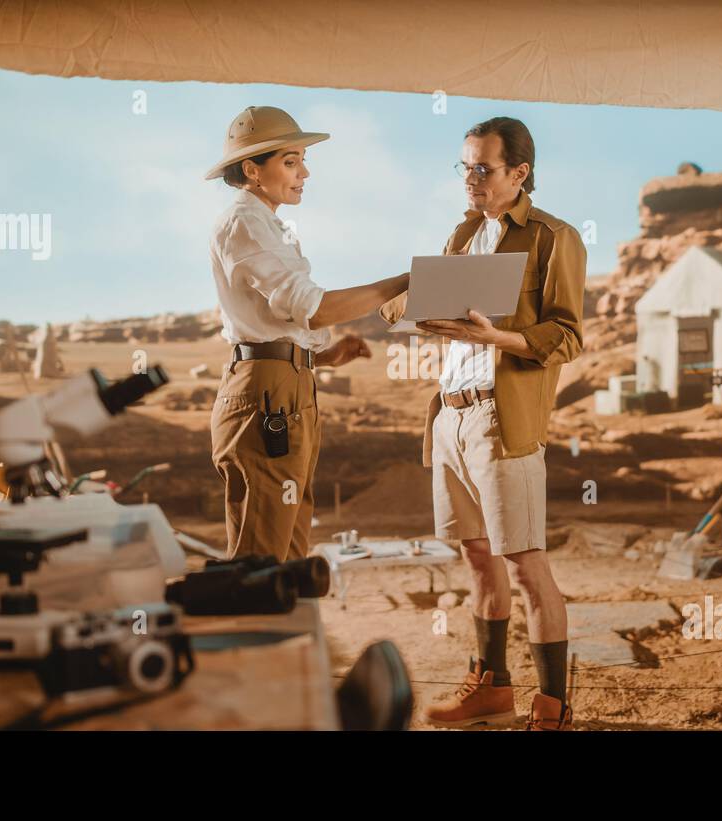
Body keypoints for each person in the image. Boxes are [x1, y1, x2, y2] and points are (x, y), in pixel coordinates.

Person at [379, 117, 586, 730]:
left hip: (502, 418)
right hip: (450, 413)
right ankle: (492, 690)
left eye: (483, 168)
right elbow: (422, 305)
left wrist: (496, 335)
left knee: (524, 562)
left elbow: (568, 336)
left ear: (519, 173)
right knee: (477, 556)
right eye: (465, 166)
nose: (470, 179)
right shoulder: (465, 232)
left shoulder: (554, 237)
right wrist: (403, 309)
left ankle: (552, 710)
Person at [206, 105, 409, 561]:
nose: (305, 173)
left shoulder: (266, 224)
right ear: (251, 170)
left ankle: (287, 624)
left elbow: (288, 319)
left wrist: (322, 355)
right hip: (267, 393)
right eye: (291, 162)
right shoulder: (246, 223)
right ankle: (264, 626)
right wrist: (401, 282)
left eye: (302, 161)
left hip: (285, 386)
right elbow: (312, 309)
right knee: (265, 556)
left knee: (289, 549)